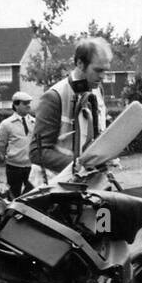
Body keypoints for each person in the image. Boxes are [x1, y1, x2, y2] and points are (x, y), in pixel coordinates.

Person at [29, 36, 111, 181]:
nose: (103, 76)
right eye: (98, 70)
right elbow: (37, 152)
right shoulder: (54, 97)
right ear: (79, 63)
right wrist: (79, 166)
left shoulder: (97, 90)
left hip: (84, 183)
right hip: (54, 188)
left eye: (105, 70)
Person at [0, 91, 36, 197]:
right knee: (14, 196)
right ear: (16, 105)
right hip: (14, 167)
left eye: (29, 103)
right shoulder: (6, 124)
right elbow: (1, 145)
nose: (28, 105)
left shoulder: (35, 122)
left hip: (32, 166)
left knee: (32, 196)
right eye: (25, 103)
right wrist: (2, 159)